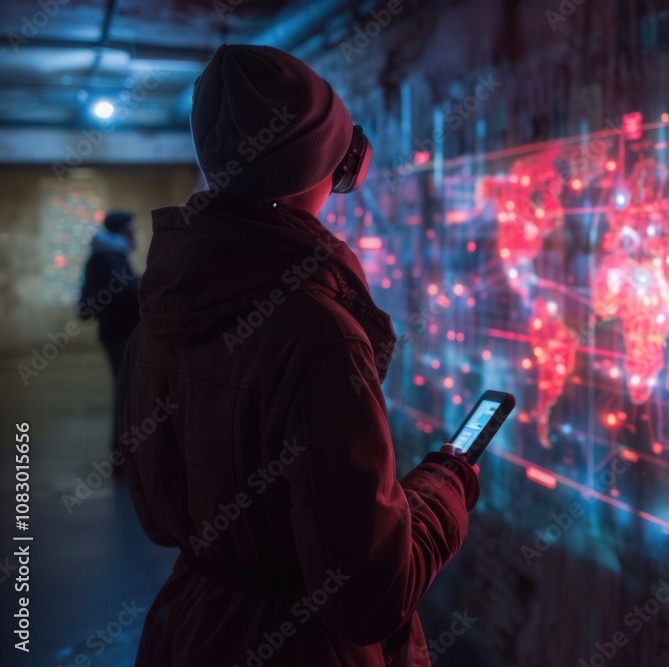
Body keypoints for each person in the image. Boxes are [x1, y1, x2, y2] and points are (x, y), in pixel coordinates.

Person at [117, 44, 481, 666]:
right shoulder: (319, 335)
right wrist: (447, 485)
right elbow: (369, 595)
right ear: (327, 166)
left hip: (189, 632)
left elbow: (157, 518)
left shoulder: (158, 309)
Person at [78, 210, 141, 467]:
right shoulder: (110, 257)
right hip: (120, 334)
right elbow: (125, 291)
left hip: (116, 333)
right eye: (131, 228)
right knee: (126, 392)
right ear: (120, 231)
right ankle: (123, 457)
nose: (134, 233)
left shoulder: (108, 255)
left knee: (126, 391)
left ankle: (124, 455)